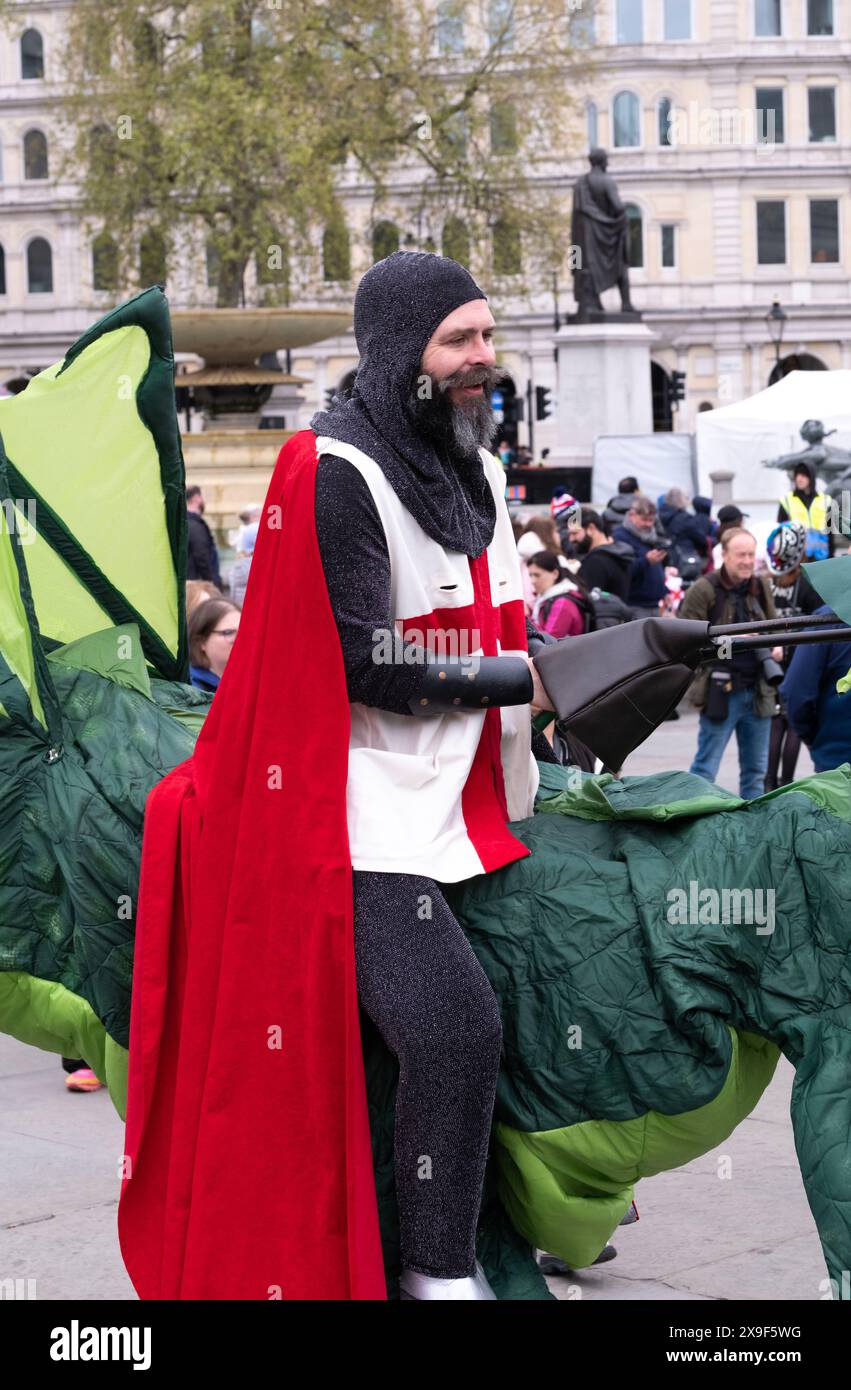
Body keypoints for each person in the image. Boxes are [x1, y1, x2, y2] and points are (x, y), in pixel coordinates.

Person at [121, 250, 561, 1303]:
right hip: (353, 804)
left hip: (476, 790)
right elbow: (359, 659)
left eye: (487, 337)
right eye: (457, 340)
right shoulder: (333, 472)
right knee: (453, 1029)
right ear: (396, 347)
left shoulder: (482, 468)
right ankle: (434, 1275)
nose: (480, 360)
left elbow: (499, 612)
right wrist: (516, 676)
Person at [678, 529, 782, 800]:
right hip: (720, 690)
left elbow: (777, 629)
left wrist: (778, 646)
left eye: (751, 554)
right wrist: (731, 640)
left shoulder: (760, 586)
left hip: (759, 690)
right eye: (741, 555)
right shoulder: (703, 589)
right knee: (705, 768)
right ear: (724, 555)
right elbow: (683, 641)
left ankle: (753, 832)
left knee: (756, 771)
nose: (748, 561)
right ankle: (693, 822)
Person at [764, 522, 823, 790]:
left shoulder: (769, 581)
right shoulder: (809, 581)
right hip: (799, 657)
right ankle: (785, 782)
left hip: (773, 659)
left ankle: (768, 782)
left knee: (777, 720)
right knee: (790, 722)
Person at [780, 602, 851, 774]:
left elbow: (796, 692)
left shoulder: (830, 616)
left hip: (837, 758)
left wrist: (813, 736)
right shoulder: (829, 618)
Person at [612, 495, 668, 616]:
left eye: (651, 520)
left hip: (654, 603)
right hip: (635, 605)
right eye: (644, 519)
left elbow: (656, 570)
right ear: (632, 515)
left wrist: (664, 591)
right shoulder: (620, 537)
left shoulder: (650, 536)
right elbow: (622, 571)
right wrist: (646, 561)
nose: (648, 524)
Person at [568, 506, 633, 601]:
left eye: (575, 533)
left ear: (591, 528)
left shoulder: (595, 562)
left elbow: (586, 601)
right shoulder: (619, 554)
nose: (571, 539)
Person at [777, 461, 833, 561]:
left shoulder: (825, 500)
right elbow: (781, 529)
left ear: (811, 477)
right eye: (797, 475)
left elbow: (830, 531)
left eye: (803, 475)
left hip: (821, 556)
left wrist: (831, 556)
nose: (799, 478)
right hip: (796, 557)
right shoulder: (786, 500)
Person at [527, 550, 589, 638]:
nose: (532, 581)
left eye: (537, 575)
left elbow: (549, 641)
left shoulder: (563, 603)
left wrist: (526, 617)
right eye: (530, 575)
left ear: (555, 574)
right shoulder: (547, 598)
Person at [187, 598, 241, 693]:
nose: (239, 638)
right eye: (228, 632)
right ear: (201, 642)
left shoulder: (251, 680)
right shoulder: (190, 689)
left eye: (243, 631)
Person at [186, 485, 223, 586]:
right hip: (199, 584)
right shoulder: (194, 524)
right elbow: (201, 555)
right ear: (196, 498)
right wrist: (211, 582)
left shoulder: (186, 523)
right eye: (201, 497)